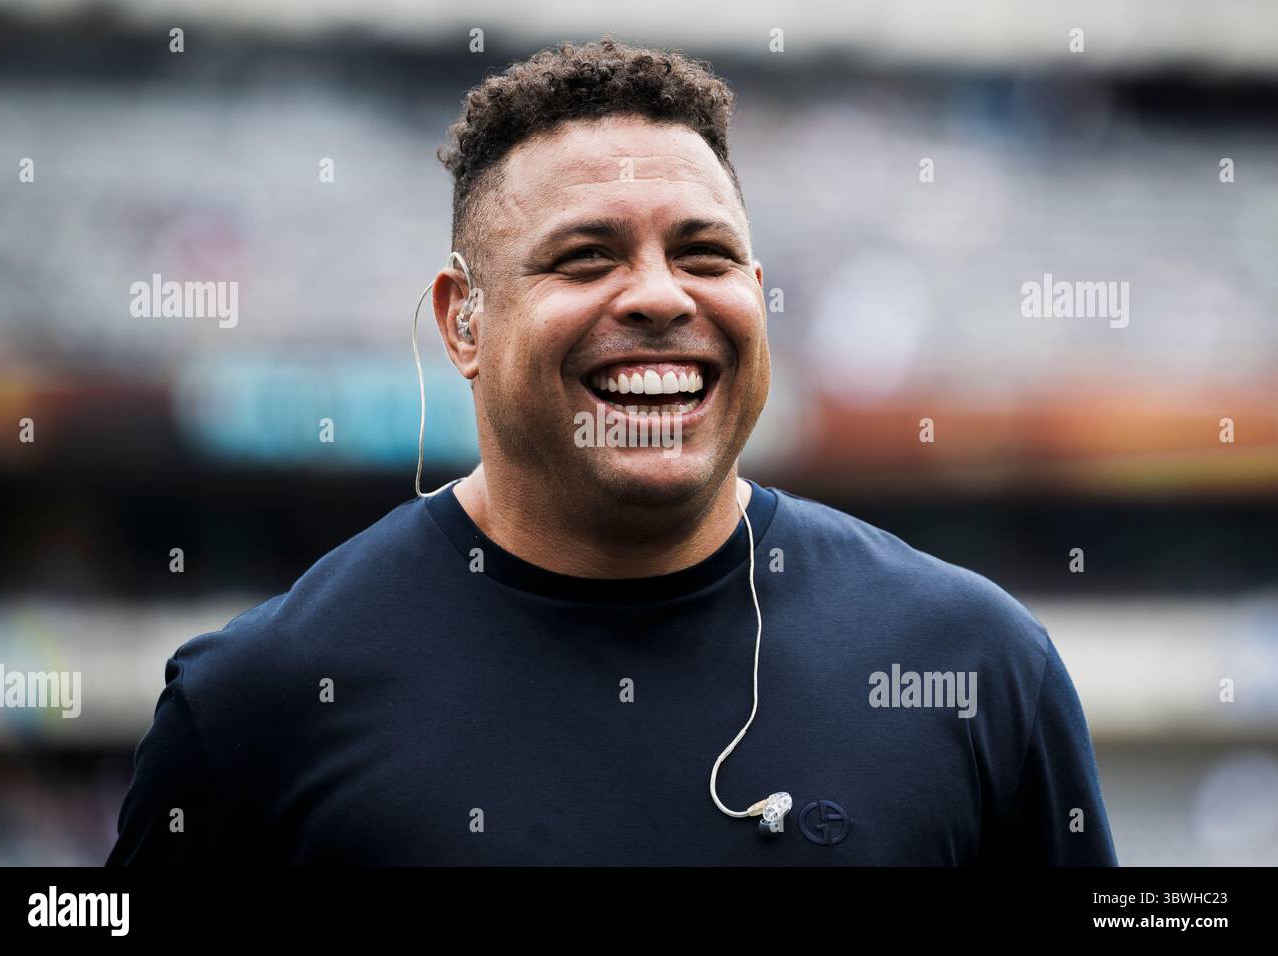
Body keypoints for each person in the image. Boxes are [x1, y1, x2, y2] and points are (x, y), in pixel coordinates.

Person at [107, 36, 1117, 865]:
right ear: (463, 322)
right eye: (585, 256)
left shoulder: (976, 661)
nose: (660, 296)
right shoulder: (256, 700)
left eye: (704, 253)